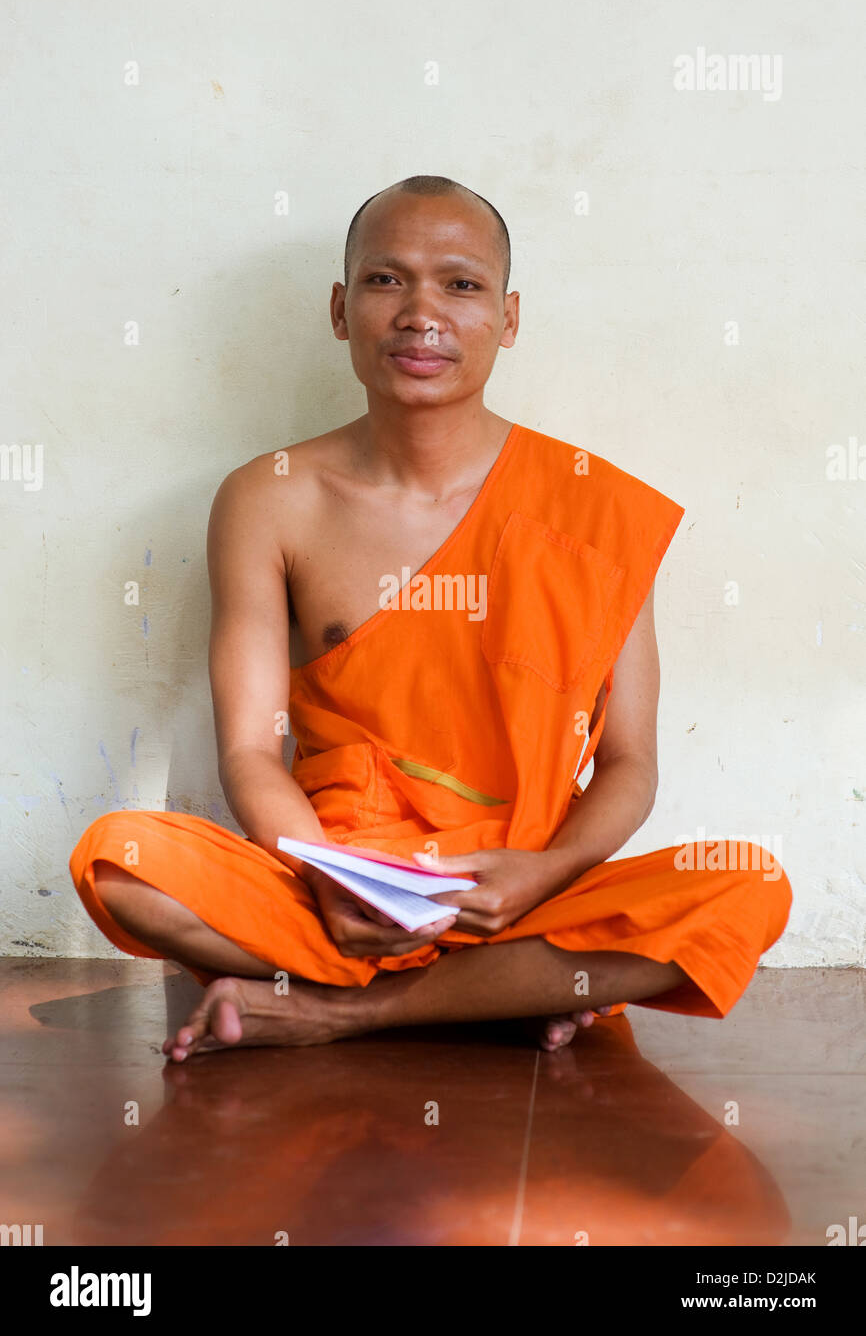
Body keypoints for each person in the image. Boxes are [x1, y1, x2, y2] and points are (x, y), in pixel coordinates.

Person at [69, 175, 792, 1060]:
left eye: (461, 283)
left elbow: (632, 763)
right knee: (121, 860)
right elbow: (252, 751)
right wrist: (323, 874)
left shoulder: (592, 507)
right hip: (336, 884)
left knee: (745, 885)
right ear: (341, 309)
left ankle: (345, 1011)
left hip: (524, 884)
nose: (421, 313)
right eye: (386, 280)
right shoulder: (272, 499)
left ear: (508, 316)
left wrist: (541, 874)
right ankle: (501, 995)